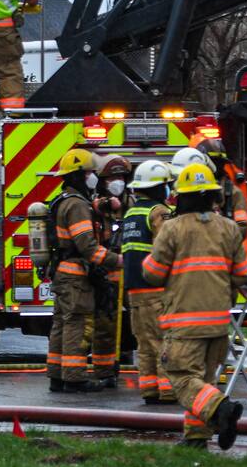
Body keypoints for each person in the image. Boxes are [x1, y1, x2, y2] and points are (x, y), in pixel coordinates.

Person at [143, 163, 247, 450]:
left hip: (184, 320)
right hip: (218, 321)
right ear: (213, 196)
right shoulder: (229, 228)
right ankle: (196, 437)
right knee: (203, 378)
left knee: (181, 377)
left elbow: (152, 272)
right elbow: (242, 273)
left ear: (181, 197)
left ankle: (220, 409)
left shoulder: (172, 228)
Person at [45, 148, 122, 393]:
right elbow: (87, 247)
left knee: (62, 323)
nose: (93, 177)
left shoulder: (64, 200)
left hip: (63, 274)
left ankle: (57, 375)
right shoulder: (77, 206)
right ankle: (75, 378)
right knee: (77, 324)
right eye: (89, 172)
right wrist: (116, 260)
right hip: (76, 276)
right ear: (79, 175)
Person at [121, 159, 175, 404]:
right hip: (156, 289)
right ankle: (168, 391)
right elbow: (168, 247)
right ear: (157, 187)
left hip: (134, 290)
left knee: (144, 343)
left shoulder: (132, 213)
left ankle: (150, 390)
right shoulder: (159, 213)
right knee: (164, 341)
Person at [88, 155, 132, 387]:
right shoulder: (94, 203)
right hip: (106, 271)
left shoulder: (132, 201)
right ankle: (104, 370)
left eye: (122, 177)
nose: (118, 181)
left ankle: (139, 361)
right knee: (104, 323)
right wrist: (105, 204)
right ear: (102, 180)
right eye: (113, 177)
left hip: (131, 271)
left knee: (142, 321)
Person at [193, 137, 247, 242]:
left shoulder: (233, 193)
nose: (216, 167)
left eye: (219, 163)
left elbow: (242, 228)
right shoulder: (188, 190)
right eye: (213, 162)